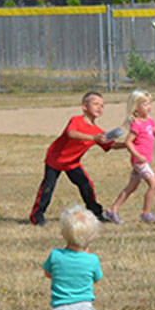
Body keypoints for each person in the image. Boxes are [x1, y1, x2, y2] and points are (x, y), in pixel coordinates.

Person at [30, 90, 121, 227]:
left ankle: (96, 213)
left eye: (102, 105)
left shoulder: (98, 131)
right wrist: (93, 138)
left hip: (72, 163)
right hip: (55, 159)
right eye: (95, 104)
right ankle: (37, 216)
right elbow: (71, 133)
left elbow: (111, 145)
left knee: (86, 185)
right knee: (48, 187)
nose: (99, 107)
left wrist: (130, 144)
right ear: (84, 106)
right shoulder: (76, 120)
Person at [110, 88, 155, 225]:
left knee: (131, 187)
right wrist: (137, 155)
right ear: (136, 107)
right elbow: (128, 142)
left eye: (150, 103)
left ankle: (113, 210)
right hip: (139, 162)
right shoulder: (137, 124)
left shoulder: (150, 121)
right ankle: (146, 213)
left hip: (143, 160)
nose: (149, 107)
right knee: (154, 185)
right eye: (145, 104)